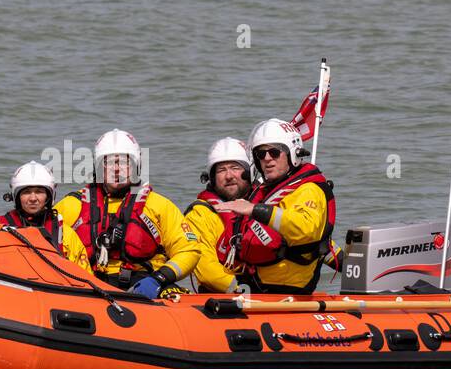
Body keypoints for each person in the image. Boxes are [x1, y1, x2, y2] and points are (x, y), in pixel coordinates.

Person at [55, 128, 202, 297]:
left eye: (124, 162)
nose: (117, 169)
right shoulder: (73, 205)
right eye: (109, 162)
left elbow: (189, 250)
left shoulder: (158, 205)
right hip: (89, 286)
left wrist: (159, 278)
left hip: (147, 284)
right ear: (98, 167)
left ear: (135, 166)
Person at [213, 119, 337, 293]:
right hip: (255, 284)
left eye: (274, 152)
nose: (267, 159)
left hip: (287, 290)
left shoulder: (308, 190)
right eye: (261, 154)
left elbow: (305, 228)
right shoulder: (267, 191)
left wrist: (255, 210)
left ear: (292, 154)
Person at [0, 161, 91, 271]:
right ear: (16, 196)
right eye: (26, 192)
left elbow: (85, 274)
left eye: (39, 192)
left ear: (49, 196)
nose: (33, 198)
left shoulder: (65, 234)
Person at [183, 138, 253, 294]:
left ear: (250, 172)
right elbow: (206, 268)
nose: (229, 176)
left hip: (268, 291)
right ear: (212, 178)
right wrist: (240, 289)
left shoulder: (263, 206)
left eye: (235, 168)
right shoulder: (200, 214)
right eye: (221, 170)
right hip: (224, 298)